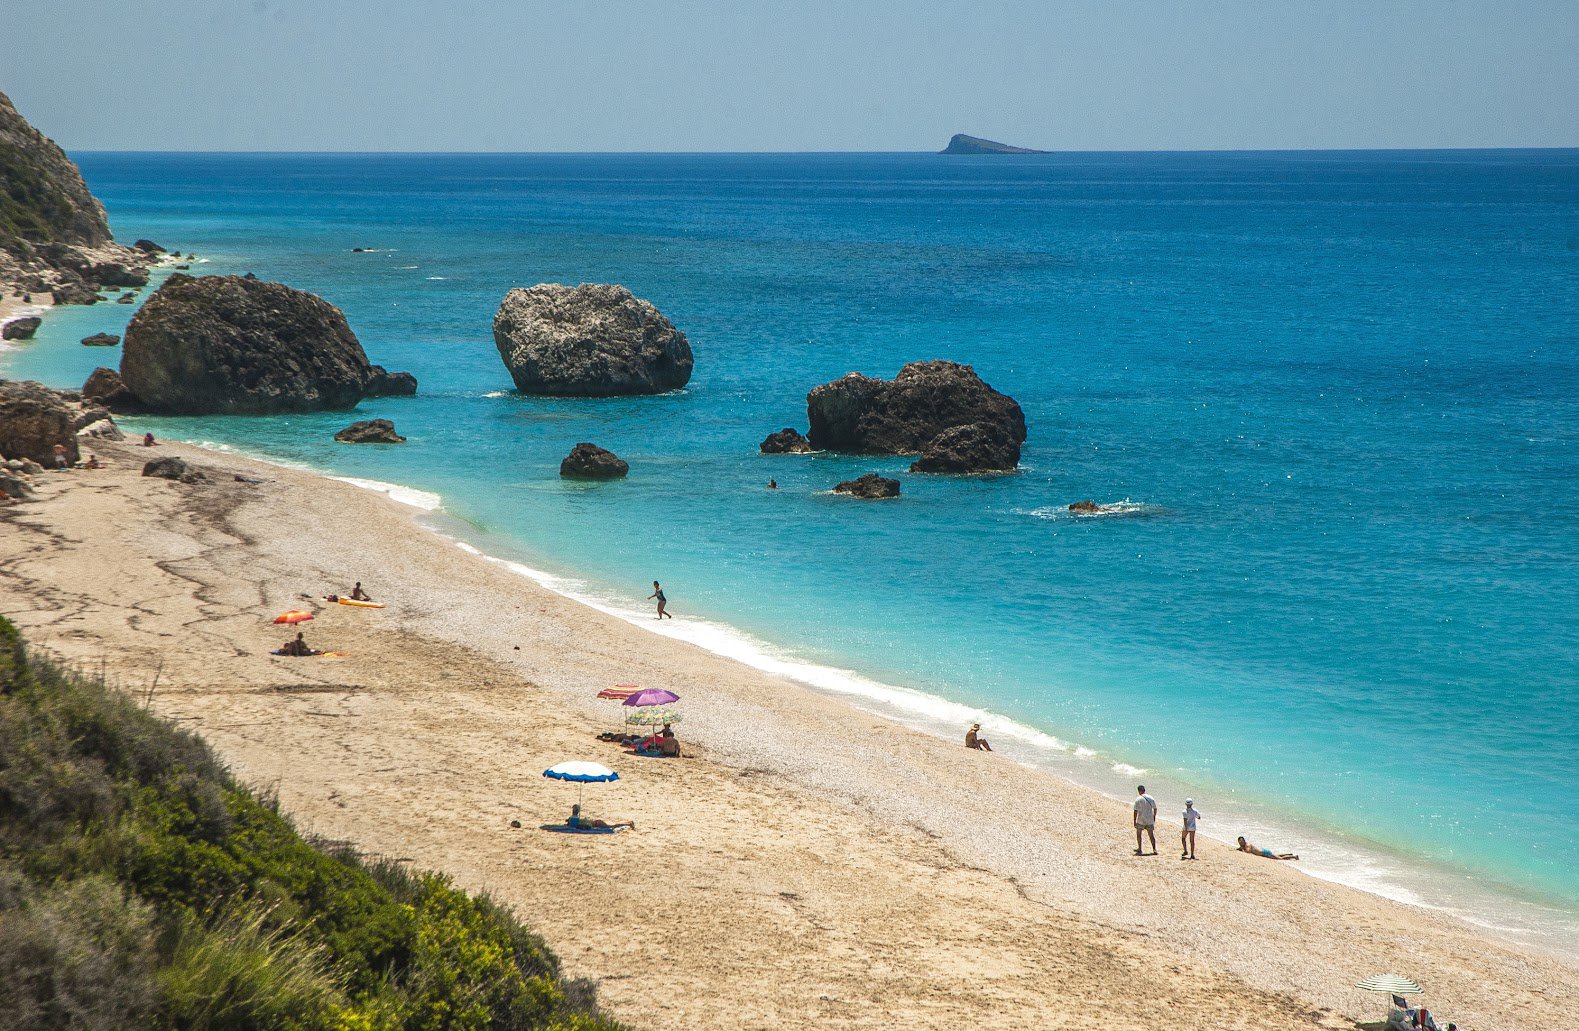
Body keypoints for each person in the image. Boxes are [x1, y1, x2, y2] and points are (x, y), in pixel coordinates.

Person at [567, 803, 634, 831]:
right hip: (597, 822)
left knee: (612, 826)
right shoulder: (578, 819)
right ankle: (628, 822)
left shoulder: (576, 820)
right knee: (613, 824)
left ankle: (628, 824)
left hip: (598, 824)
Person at [1133, 785, 1158, 856]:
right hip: (1149, 819)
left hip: (1141, 819)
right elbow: (1155, 808)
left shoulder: (1138, 799)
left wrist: (1134, 821)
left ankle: (1140, 848)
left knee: (1139, 834)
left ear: (1139, 791)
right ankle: (1154, 849)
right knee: (1151, 835)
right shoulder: (1151, 798)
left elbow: (1135, 811)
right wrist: (1154, 817)